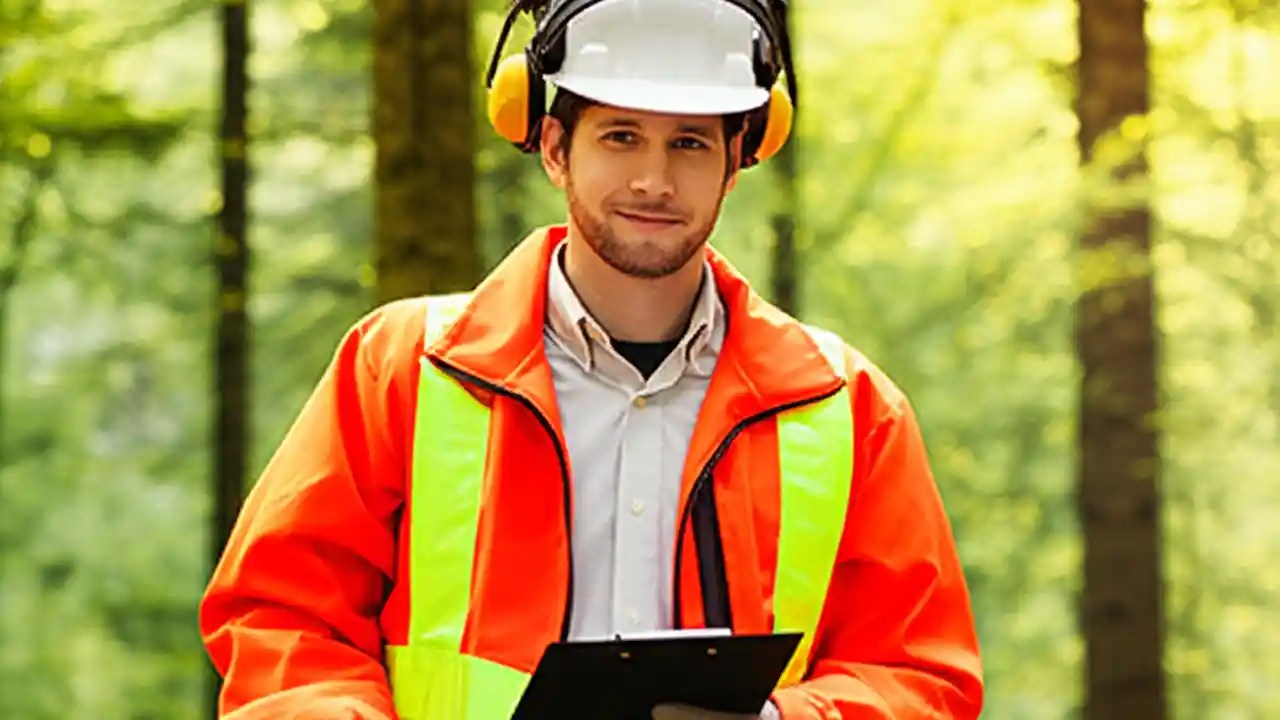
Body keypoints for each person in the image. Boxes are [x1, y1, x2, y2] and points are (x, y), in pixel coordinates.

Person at [199, 0, 984, 717]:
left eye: (688, 142)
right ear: (552, 148)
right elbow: (280, 622)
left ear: (738, 158)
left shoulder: (848, 407)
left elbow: (921, 673)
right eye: (620, 136)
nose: (654, 179)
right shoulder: (401, 368)